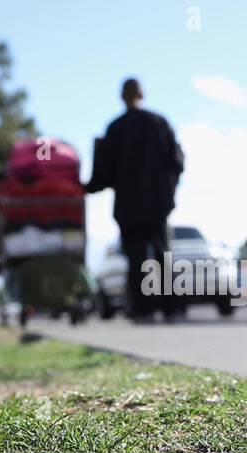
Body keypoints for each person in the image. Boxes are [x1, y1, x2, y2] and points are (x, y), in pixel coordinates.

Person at [86, 78, 184, 321]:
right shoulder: (158, 123)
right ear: (142, 94)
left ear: (123, 96)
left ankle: (143, 310)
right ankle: (170, 310)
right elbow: (177, 161)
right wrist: (168, 191)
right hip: (157, 203)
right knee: (162, 255)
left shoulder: (116, 128)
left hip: (130, 207)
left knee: (137, 258)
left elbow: (103, 173)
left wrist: (89, 186)